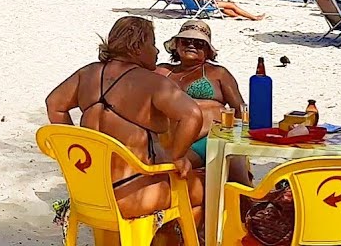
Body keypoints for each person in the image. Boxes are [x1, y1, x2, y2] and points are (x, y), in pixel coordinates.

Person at [44, 17, 204, 243]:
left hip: (88, 194)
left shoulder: (87, 74)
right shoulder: (152, 82)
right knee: (199, 190)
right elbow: (192, 115)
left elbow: (55, 104)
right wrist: (177, 157)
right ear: (137, 46)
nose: (157, 51)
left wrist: (73, 146)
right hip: (131, 195)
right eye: (152, 43)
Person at [156, 20, 250, 187]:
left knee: (223, 146)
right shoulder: (162, 70)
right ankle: (251, 198)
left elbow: (241, 111)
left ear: (207, 50)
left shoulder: (218, 73)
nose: (192, 46)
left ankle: (248, 196)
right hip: (167, 137)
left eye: (199, 43)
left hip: (206, 139)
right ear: (176, 45)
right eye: (186, 41)